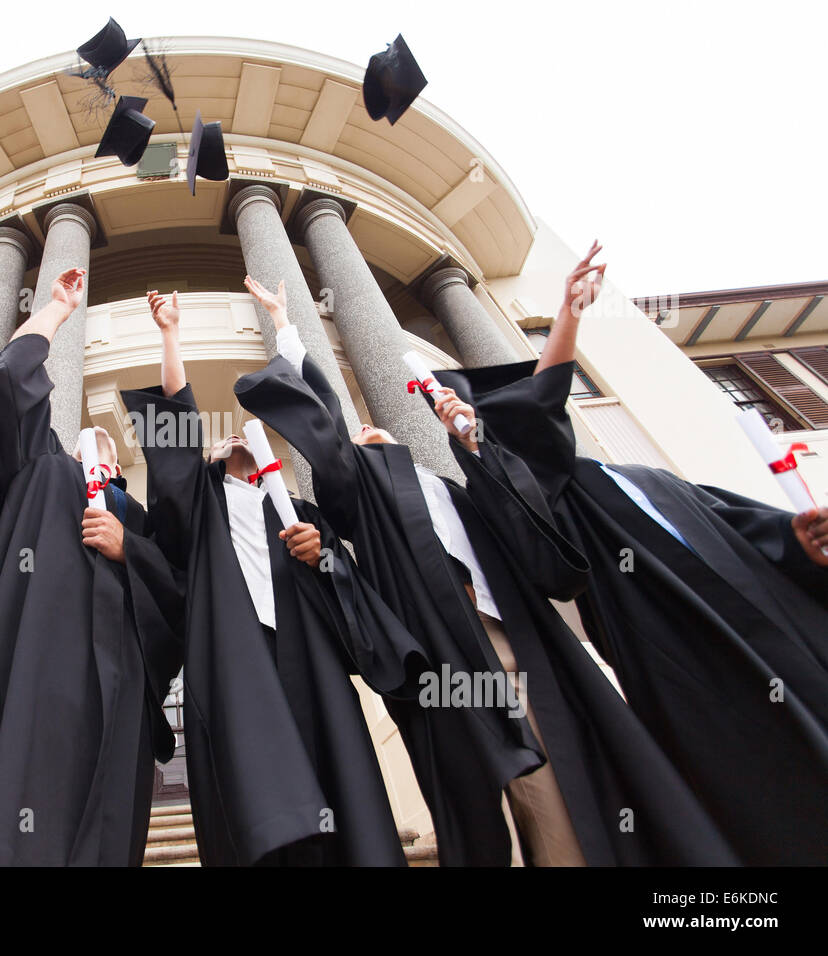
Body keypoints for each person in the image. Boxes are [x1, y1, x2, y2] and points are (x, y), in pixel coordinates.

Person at [234, 276, 738, 866]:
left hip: (521, 642)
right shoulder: (366, 493)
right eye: (359, 433)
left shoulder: (453, 489)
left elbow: (527, 521)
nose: (365, 430)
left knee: (570, 784)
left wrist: (471, 443)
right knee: (500, 805)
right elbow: (327, 433)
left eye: (375, 426)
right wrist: (287, 328)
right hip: (453, 657)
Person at [435, 242, 828, 864]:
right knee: (765, 790)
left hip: (778, 631)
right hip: (679, 652)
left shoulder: (647, 476)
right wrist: (475, 441)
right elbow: (544, 556)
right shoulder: (555, 501)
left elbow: (749, 531)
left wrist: (799, 543)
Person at [118, 287, 426, 866]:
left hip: (308, 658)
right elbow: (176, 420)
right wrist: (170, 334)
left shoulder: (296, 513)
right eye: (223, 435)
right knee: (253, 799)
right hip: (235, 662)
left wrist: (322, 557)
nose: (236, 434)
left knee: (337, 785)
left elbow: (347, 584)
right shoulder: (201, 507)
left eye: (245, 433)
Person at [0, 267, 185, 866]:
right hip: (36, 659)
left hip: (120, 674)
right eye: (83, 435)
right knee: (24, 802)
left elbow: (182, 586)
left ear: (121, 467)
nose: (92, 440)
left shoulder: (140, 518)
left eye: (104, 445)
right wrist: (55, 311)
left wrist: (130, 547)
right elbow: (11, 388)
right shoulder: (45, 474)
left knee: (106, 823)